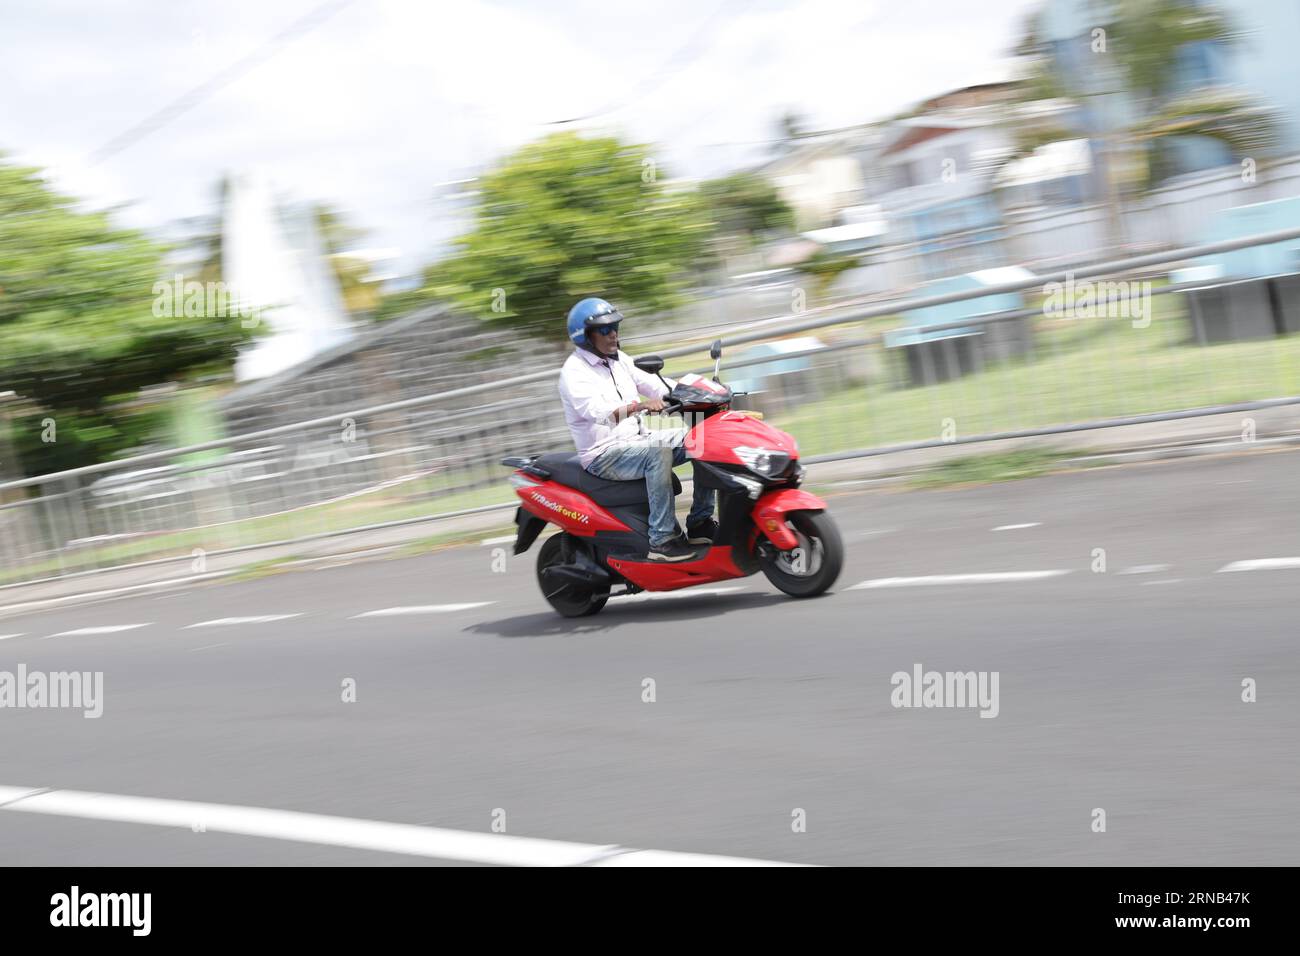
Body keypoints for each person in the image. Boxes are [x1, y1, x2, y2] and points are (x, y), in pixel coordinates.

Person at [557, 297, 716, 562]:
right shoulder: (574, 373)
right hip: (603, 454)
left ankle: (700, 522)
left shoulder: (619, 360)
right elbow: (599, 414)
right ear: (585, 336)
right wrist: (638, 407)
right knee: (658, 452)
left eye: (615, 327)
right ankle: (662, 541)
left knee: (703, 437)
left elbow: (657, 385)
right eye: (605, 330)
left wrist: (701, 394)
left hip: (638, 440)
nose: (613, 334)